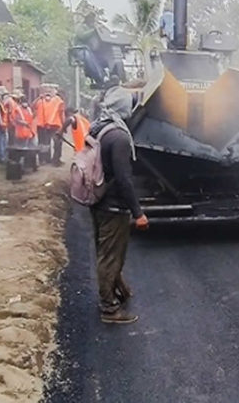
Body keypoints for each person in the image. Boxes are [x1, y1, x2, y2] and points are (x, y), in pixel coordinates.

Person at [91, 86, 148, 324]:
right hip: (113, 206)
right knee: (111, 256)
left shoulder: (100, 128)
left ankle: (118, 290)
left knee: (106, 252)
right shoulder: (120, 137)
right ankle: (110, 309)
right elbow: (124, 180)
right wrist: (138, 213)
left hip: (98, 200)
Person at [33, 87, 66, 165]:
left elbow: (33, 106)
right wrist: (64, 125)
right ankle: (55, 160)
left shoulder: (41, 100)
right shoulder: (59, 101)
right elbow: (62, 114)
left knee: (44, 143)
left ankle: (44, 159)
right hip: (56, 125)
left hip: (44, 125)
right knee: (57, 143)